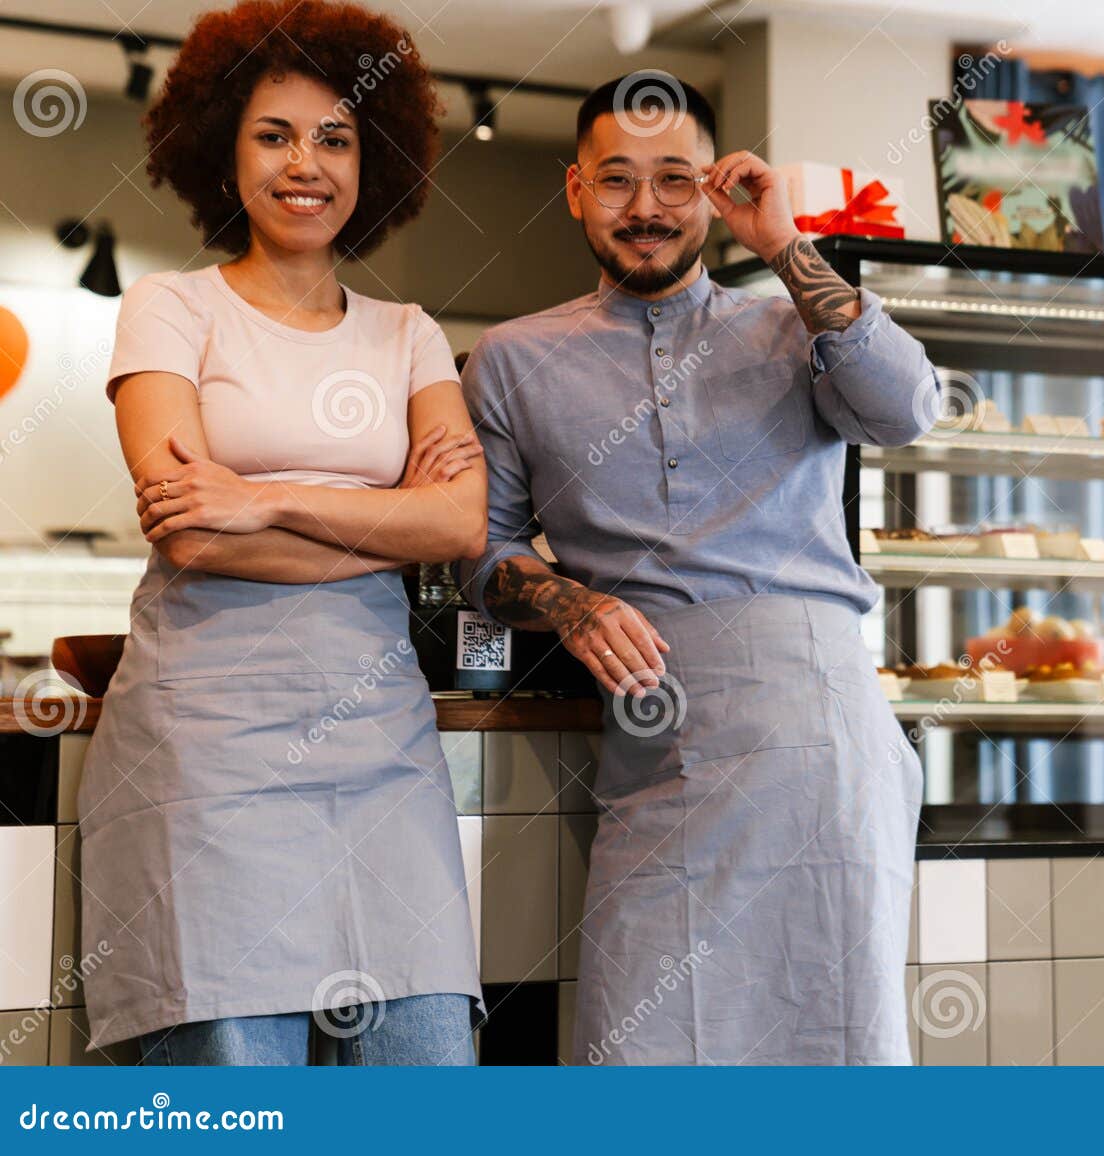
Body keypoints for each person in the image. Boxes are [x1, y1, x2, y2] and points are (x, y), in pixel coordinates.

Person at [456, 74, 938, 1064]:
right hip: (655, 736)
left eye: (675, 180)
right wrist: (567, 598)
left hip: (820, 740)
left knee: (830, 1057)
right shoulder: (509, 358)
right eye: (618, 181)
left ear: (714, 192)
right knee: (639, 1049)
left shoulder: (790, 324)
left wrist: (781, 244)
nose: (645, 209)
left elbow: (906, 410)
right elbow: (480, 551)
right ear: (574, 189)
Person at [79, 0, 485, 1065]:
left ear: (373, 162)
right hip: (207, 747)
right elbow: (192, 538)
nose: (307, 162)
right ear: (224, 153)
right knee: (232, 1081)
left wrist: (265, 496)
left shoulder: (409, 335)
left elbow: (460, 518)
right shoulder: (169, 310)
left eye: (337, 136)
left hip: (382, 747)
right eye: (275, 133)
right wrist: (388, 520)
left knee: (425, 1061)